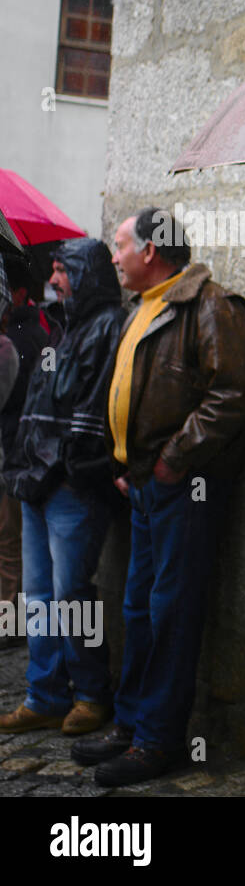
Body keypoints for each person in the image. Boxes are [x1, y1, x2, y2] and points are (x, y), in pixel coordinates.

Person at [68, 207, 245, 787]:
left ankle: (159, 741)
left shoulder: (210, 305)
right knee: (138, 609)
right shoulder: (143, 309)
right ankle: (131, 723)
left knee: (170, 613)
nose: (116, 256)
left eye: (121, 245)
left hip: (184, 489)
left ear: (151, 251)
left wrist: (174, 461)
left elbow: (233, 392)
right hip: (145, 486)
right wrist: (124, 467)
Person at [0, 241, 124, 736]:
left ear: (84, 273)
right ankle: (45, 693)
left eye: (61, 270)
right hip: (37, 480)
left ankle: (91, 694)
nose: (55, 279)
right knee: (38, 598)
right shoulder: (64, 328)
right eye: (53, 270)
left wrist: (69, 465)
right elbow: (37, 399)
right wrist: (24, 462)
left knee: (71, 592)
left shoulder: (109, 327)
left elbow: (94, 409)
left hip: (72, 484)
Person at [0, 255, 52, 648]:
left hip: (15, 452)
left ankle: (10, 621)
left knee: (8, 540)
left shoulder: (21, 339)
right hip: (15, 451)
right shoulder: (29, 332)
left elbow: (13, 398)